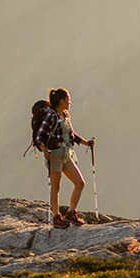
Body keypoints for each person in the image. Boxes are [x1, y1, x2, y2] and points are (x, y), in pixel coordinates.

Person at [34, 88, 94, 228]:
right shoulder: (51, 116)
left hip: (66, 154)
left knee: (80, 183)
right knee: (56, 187)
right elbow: (39, 137)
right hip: (55, 155)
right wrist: (44, 151)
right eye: (68, 98)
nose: (69, 101)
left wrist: (86, 143)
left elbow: (71, 134)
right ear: (61, 100)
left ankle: (71, 213)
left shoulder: (65, 115)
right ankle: (56, 217)